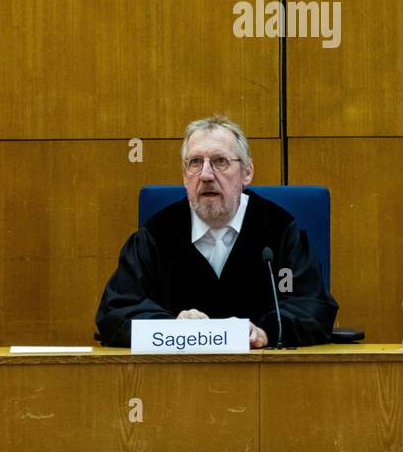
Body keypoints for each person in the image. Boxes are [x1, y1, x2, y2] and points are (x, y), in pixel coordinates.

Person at [95, 115, 338, 348]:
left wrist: (265, 332)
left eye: (220, 161)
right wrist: (172, 327)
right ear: (184, 175)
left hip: (264, 376)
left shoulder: (279, 230)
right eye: (195, 162)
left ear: (247, 172)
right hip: (175, 377)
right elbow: (116, 311)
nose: (206, 175)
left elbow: (312, 307)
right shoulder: (157, 235)